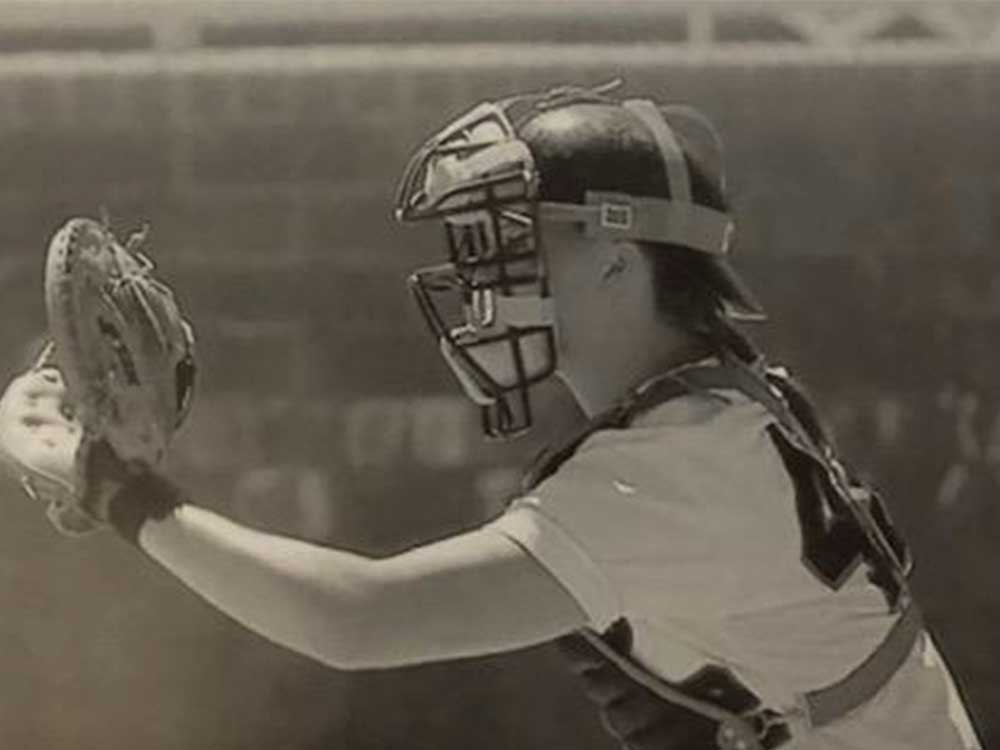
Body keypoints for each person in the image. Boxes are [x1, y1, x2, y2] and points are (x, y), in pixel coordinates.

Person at [2, 82, 983, 750]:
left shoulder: (668, 474)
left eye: (516, 239)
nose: (482, 274)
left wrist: (123, 492)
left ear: (617, 258)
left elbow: (355, 619)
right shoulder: (721, 407)